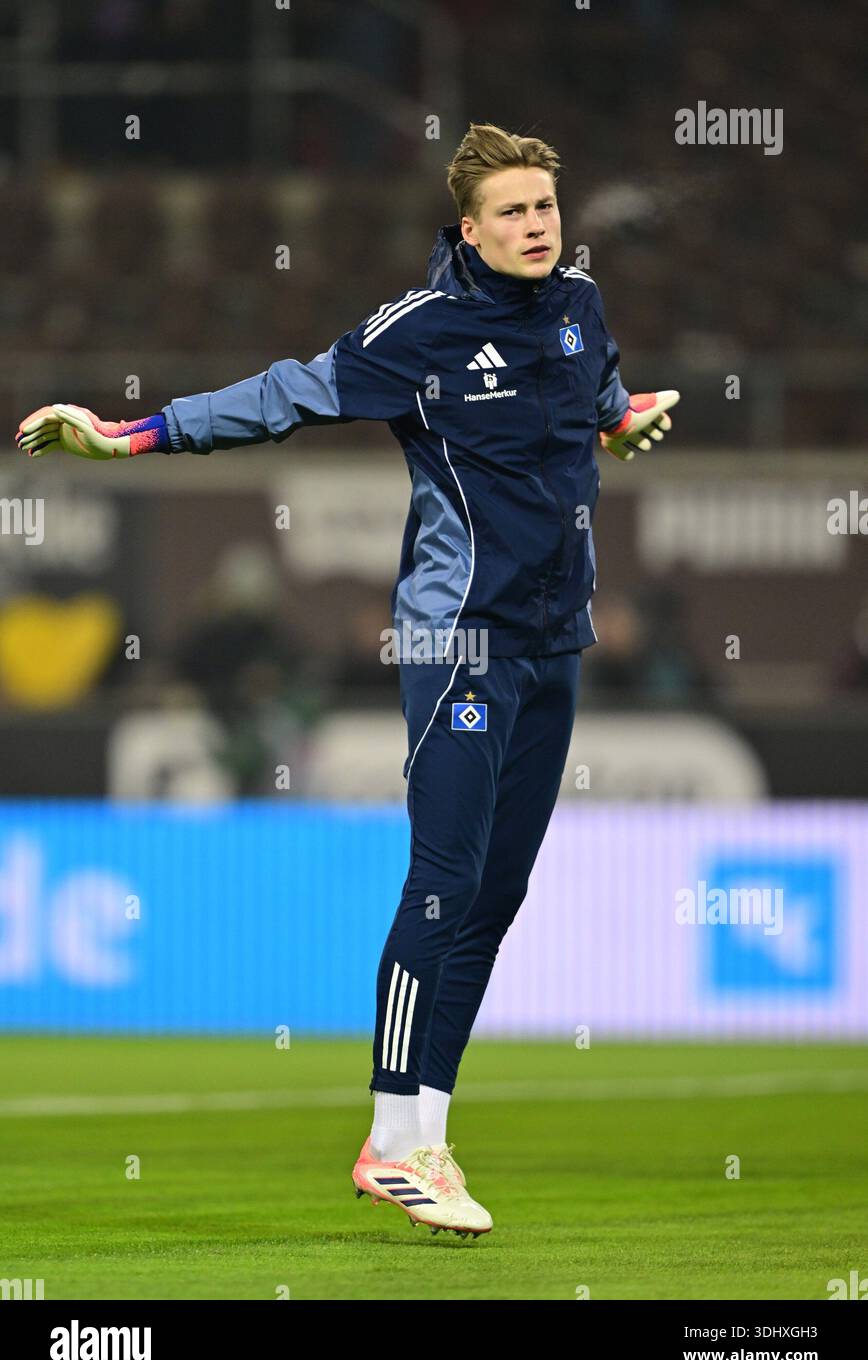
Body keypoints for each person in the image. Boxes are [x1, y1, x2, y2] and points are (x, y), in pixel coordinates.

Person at [16, 122, 680, 1238]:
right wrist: (127, 437)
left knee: (496, 899)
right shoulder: (417, 334)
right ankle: (386, 1143)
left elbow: (599, 400)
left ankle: (427, 1137)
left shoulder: (579, 309)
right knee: (442, 879)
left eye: (546, 210)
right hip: (455, 637)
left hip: (552, 641)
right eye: (513, 212)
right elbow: (280, 396)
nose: (535, 227)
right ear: (467, 229)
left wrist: (623, 421)